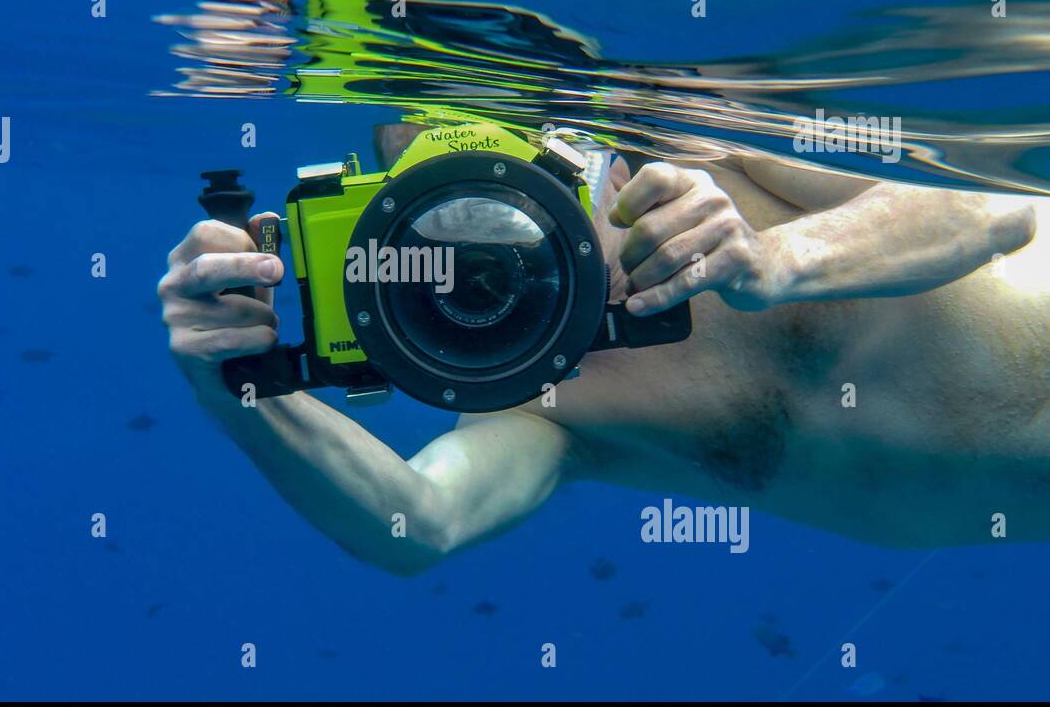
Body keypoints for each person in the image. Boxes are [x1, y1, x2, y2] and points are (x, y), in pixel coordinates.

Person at [159, 139, 1048, 574]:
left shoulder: (710, 159)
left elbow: (996, 208)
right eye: (449, 251)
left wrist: (782, 258)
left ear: (568, 162)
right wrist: (229, 384)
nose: (486, 270)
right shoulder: (542, 404)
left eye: (500, 204)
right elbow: (417, 523)